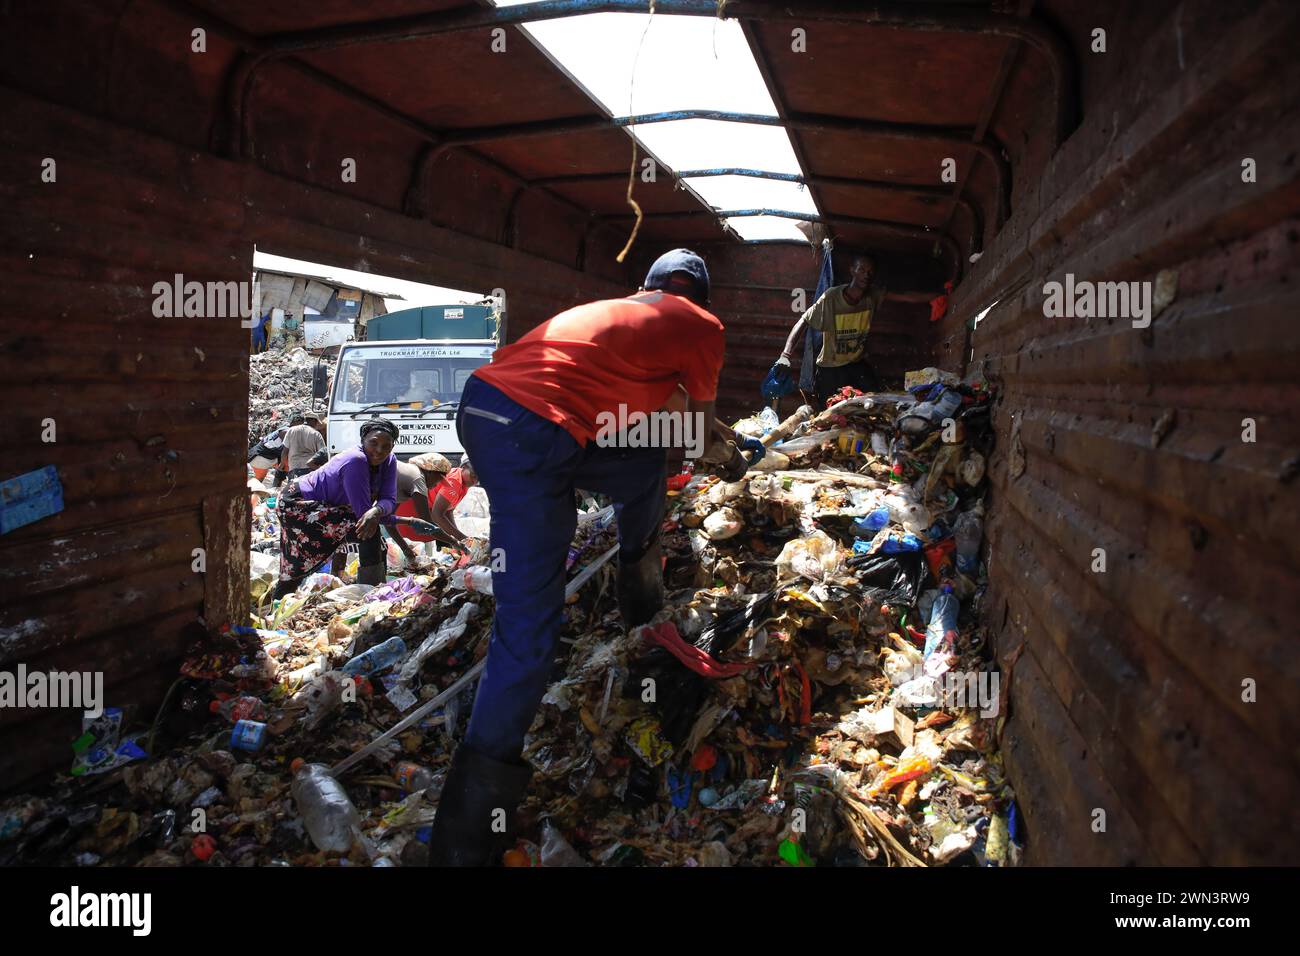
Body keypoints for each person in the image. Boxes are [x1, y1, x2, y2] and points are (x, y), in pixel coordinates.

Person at [429, 248, 750, 866]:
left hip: (496, 410)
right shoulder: (702, 327)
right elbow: (698, 430)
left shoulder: (623, 321)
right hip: (531, 431)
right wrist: (727, 454)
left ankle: (640, 590)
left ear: (647, 287)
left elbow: (664, 427)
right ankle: (464, 841)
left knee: (638, 470)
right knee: (530, 630)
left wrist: (702, 439)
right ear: (700, 300)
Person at [272, 419, 400, 597]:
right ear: (363, 440)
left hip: (333, 506)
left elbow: (389, 499)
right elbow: (363, 513)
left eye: (386, 446)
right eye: (374, 443)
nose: (379, 451)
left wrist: (377, 511)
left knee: (369, 533)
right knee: (299, 559)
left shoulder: (389, 460)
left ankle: (373, 591)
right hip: (299, 504)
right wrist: (401, 520)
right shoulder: (356, 461)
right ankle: (373, 594)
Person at [770, 255, 887, 406]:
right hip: (831, 368)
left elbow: (907, 297)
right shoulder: (832, 297)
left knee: (874, 404)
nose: (866, 275)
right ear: (852, 271)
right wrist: (785, 355)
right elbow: (803, 320)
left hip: (856, 364)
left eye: (870, 271)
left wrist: (929, 297)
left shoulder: (872, 296)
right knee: (831, 413)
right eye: (862, 269)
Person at [427, 459, 478, 546]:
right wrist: (461, 538)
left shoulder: (464, 483)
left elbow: (448, 510)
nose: (475, 482)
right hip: (417, 507)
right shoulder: (455, 481)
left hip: (429, 511)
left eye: (478, 479)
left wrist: (458, 537)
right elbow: (437, 515)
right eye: (473, 476)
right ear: (463, 467)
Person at [279, 413, 327, 479]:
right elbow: (322, 452)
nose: (316, 425)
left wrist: (282, 465)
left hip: (294, 467)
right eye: (316, 422)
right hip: (310, 468)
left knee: (294, 488)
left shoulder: (291, 430)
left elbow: (285, 451)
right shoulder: (316, 434)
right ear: (313, 421)